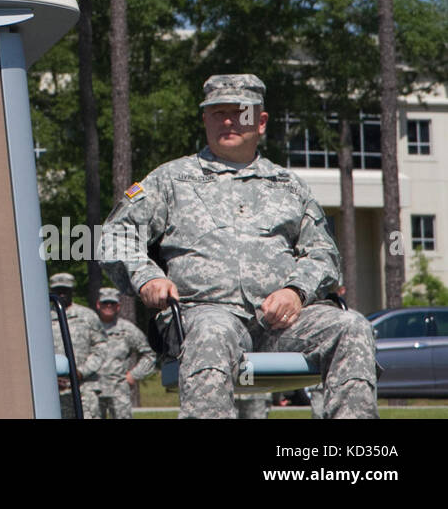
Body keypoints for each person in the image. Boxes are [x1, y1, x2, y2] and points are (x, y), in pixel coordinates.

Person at [100, 74, 379, 419]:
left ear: (260, 121)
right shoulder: (170, 180)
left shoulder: (289, 186)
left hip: (283, 322)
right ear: (205, 119)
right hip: (204, 314)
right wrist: (146, 278)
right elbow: (114, 235)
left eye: (240, 112)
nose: (229, 120)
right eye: (217, 112)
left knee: (352, 326)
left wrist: (295, 291)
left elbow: (324, 254)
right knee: (211, 331)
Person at [48, 272, 106, 418]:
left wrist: (81, 372)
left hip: (84, 389)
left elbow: (101, 348)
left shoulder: (87, 316)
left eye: (65, 290)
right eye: (57, 291)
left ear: (72, 291)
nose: (61, 294)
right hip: (55, 392)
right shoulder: (43, 316)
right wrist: (49, 377)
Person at [93, 287, 155, 419]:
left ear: (118, 306)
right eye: (105, 303)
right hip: (93, 390)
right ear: (98, 304)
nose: (108, 306)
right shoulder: (89, 327)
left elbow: (150, 354)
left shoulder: (127, 329)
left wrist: (134, 375)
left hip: (119, 389)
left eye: (112, 303)